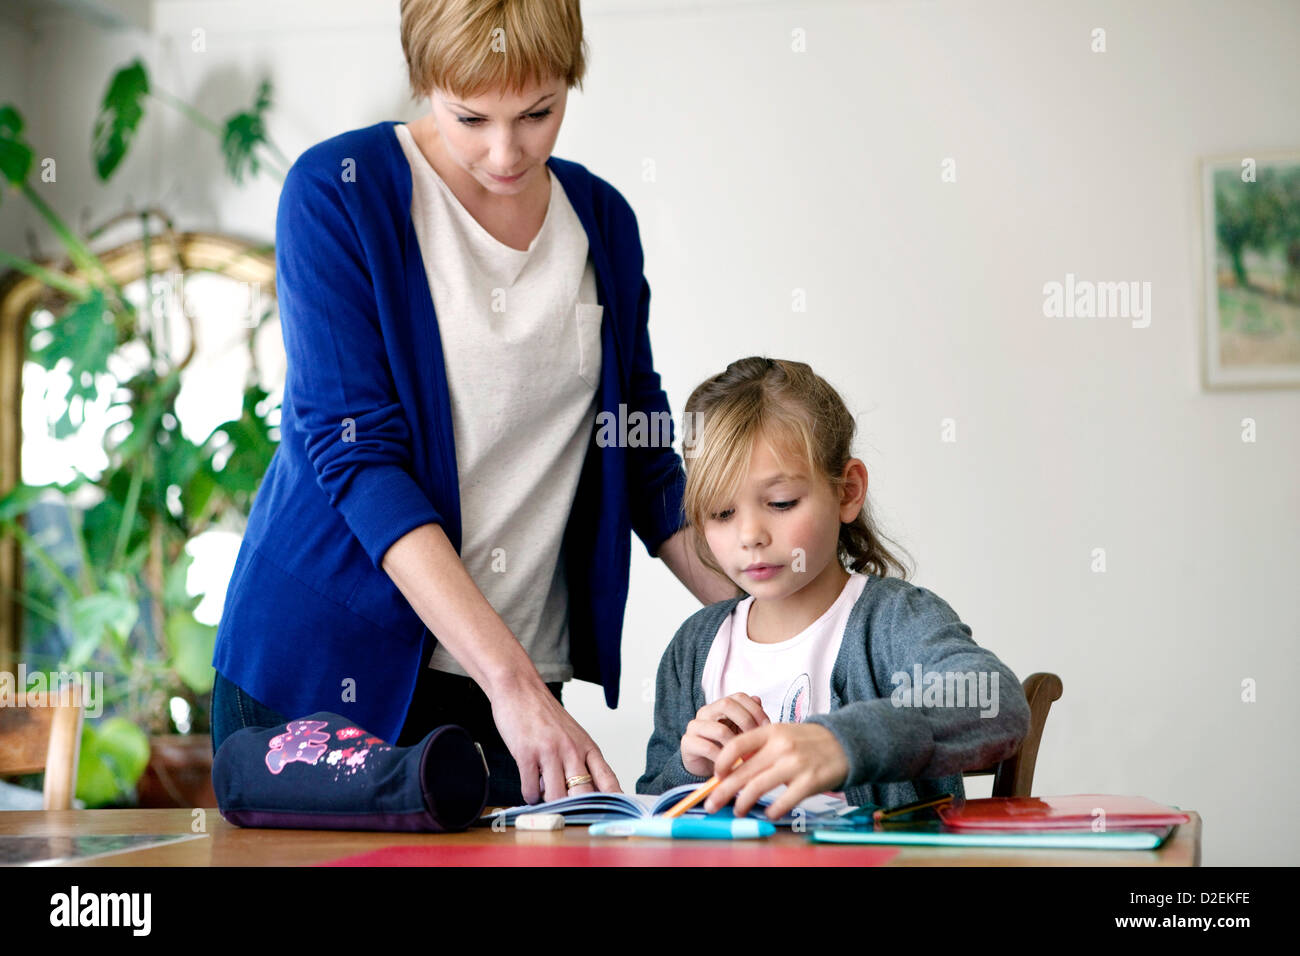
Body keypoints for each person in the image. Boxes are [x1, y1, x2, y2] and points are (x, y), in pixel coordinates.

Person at [209, 0, 738, 809]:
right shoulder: (339, 195)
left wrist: (780, 619)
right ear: (425, 82)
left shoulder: (601, 222)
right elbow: (358, 458)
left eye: (538, 113)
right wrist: (511, 683)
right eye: (470, 116)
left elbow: (640, 451)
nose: (506, 150)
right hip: (328, 670)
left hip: (515, 674)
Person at [636, 357, 1032, 819]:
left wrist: (842, 743)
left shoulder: (893, 622)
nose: (750, 536)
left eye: (781, 503)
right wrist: (689, 768)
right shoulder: (692, 650)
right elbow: (651, 806)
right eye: (722, 514)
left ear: (847, 492)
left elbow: (997, 703)